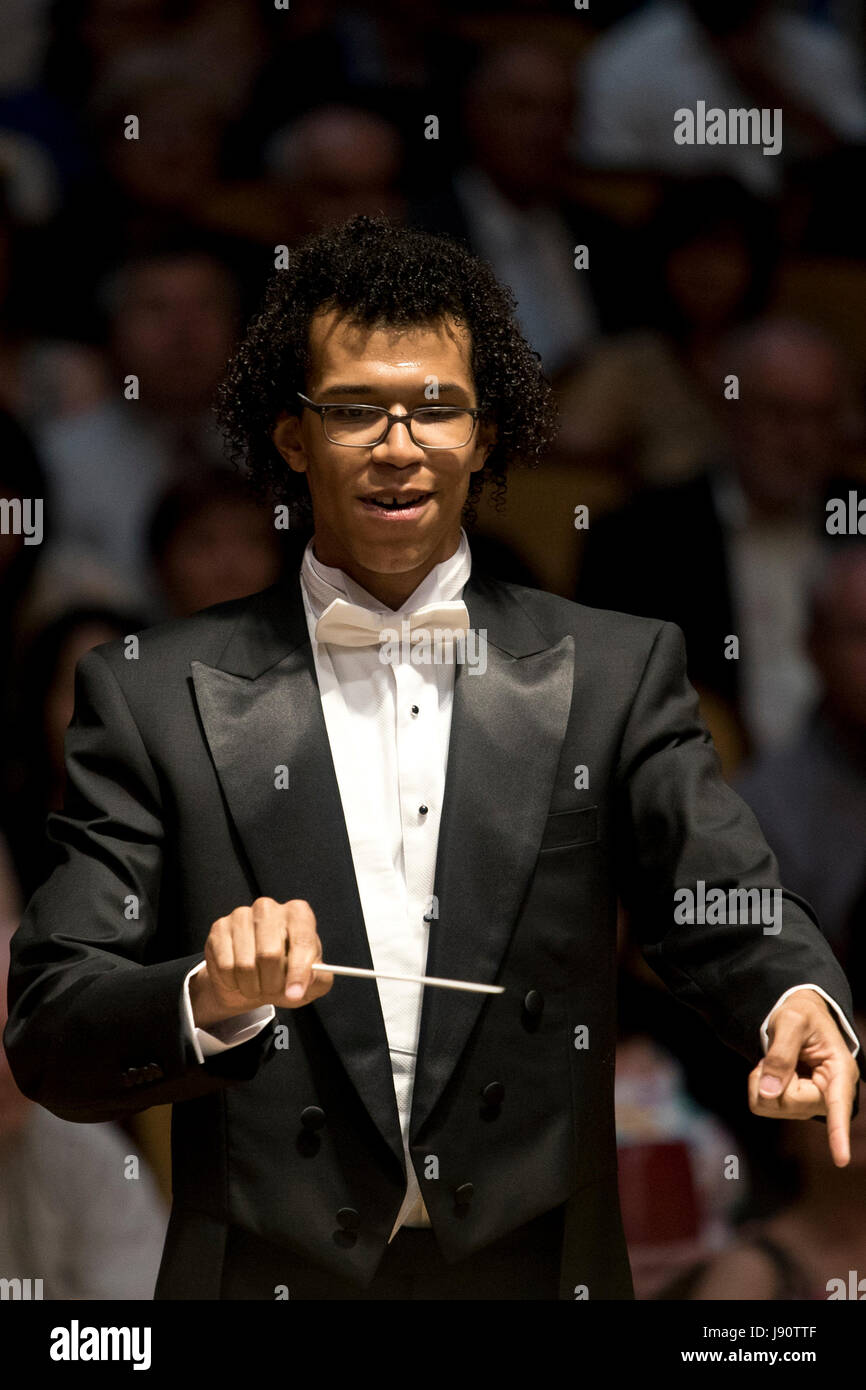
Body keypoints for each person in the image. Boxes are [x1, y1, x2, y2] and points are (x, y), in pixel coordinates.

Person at [4, 215, 862, 1301]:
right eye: (355, 409)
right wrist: (205, 996)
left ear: (486, 432)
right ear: (290, 435)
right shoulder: (150, 696)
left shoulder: (611, 669)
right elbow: (51, 1022)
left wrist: (793, 995)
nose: (399, 443)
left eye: (436, 408)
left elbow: (718, 897)